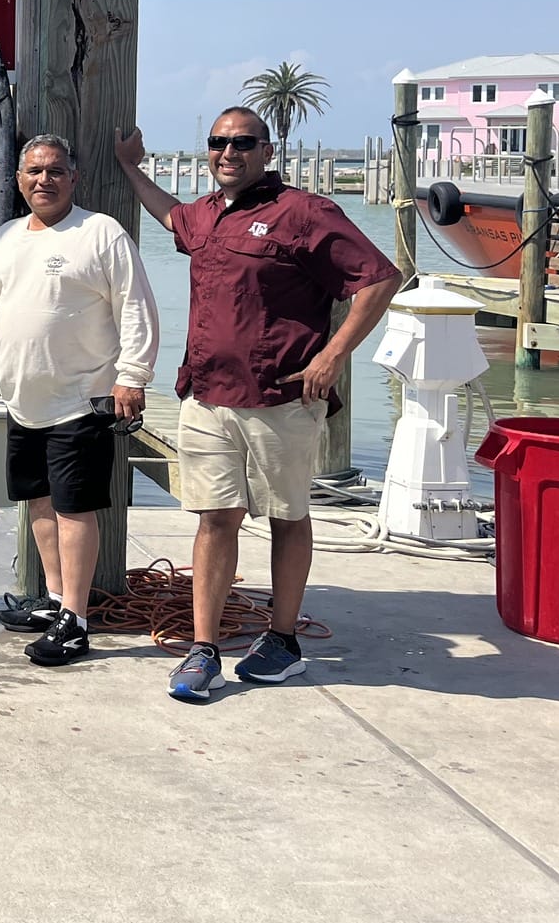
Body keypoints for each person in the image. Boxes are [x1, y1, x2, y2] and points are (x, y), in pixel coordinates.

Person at [116, 106, 399, 701]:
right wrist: (129, 168)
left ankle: (283, 638)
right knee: (214, 517)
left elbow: (378, 278)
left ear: (267, 152)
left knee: (287, 515)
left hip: (281, 399)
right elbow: (169, 213)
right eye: (218, 142)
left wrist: (334, 356)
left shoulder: (304, 212)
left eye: (243, 143)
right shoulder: (209, 215)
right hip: (206, 395)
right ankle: (204, 648)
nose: (228, 152)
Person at [0, 135, 160, 667]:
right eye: (33, 171)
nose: (43, 180)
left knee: (74, 510)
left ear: (74, 178)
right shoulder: (4, 237)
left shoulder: (100, 232)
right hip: (23, 401)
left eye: (55, 171)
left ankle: (77, 619)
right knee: (40, 503)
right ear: (18, 179)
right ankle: (51, 600)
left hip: (83, 398)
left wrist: (133, 377)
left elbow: (136, 306)